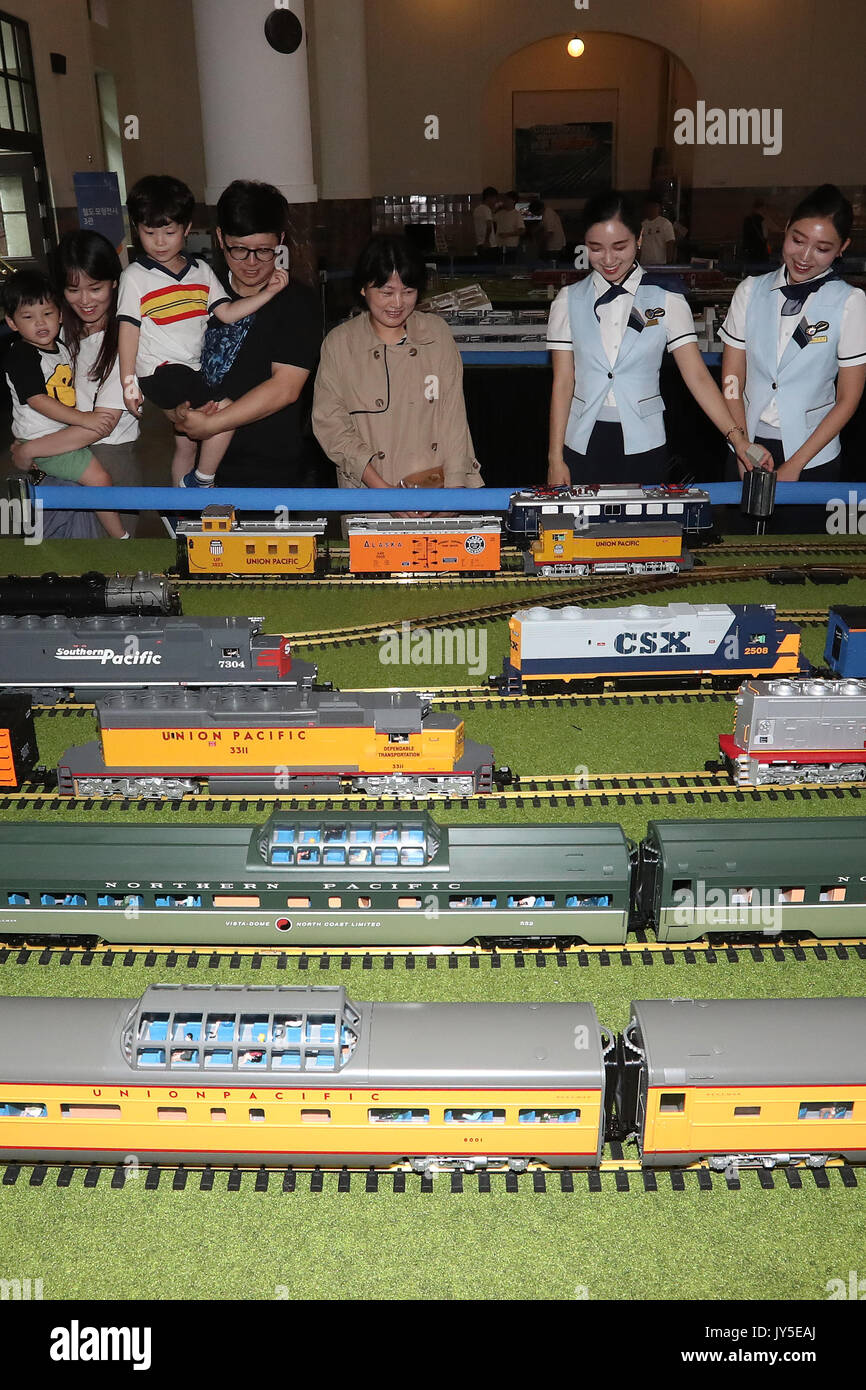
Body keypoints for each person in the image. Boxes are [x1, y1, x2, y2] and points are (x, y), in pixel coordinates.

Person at [546, 191, 766, 486]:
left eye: (620, 246)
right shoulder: (567, 300)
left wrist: (737, 438)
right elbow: (563, 382)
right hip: (580, 440)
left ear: (639, 238)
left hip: (645, 441)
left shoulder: (667, 297)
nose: (608, 259)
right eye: (596, 248)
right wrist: (555, 458)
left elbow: (697, 376)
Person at [118, 174, 288, 486]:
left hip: (192, 370)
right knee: (225, 410)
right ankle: (203, 479)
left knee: (186, 443)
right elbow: (128, 330)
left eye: (169, 232)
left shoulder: (201, 271)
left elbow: (227, 313)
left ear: (186, 229)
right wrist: (129, 381)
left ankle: (182, 502)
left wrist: (268, 294)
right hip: (161, 370)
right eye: (149, 232)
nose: (159, 241)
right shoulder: (135, 276)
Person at [721, 185, 866, 528]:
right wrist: (741, 444)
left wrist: (797, 463)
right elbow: (732, 378)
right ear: (785, 229)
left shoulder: (850, 302)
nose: (805, 256)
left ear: (842, 248)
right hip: (746, 444)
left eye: (823, 248)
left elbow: (848, 398)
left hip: (813, 454)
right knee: (736, 547)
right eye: (798, 240)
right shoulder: (750, 290)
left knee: (798, 550)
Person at [172, 179, 323, 489]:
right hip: (201, 465)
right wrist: (177, 409)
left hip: (271, 470)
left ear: (280, 241)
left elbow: (285, 388)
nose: (251, 263)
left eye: (264, 251)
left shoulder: (297, 302)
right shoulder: (198, 293)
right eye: (239, 249)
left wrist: (212, 425)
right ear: (220, 238)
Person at [312, 233, 483, 504]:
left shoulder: (436, 334)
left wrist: (454, 491)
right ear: (364, 288)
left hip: (438, 492)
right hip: (369, 495)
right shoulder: (340, 344)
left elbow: (453, 417)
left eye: (408, 292)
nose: (397, 303)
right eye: (386, 293)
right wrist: (383, 492)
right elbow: (331, 426)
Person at [11, 231, 142, 537]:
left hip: (108, 462)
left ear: (114, 282)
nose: (85, 301)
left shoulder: (126, 340)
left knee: (112, 559)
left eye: (95, 288)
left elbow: (102, 425)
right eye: (73, 290)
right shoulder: (56, 336)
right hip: (58, 462)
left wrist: (30, 449)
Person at [639, 200, 676, 266]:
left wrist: (669, 262)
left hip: (660, 264)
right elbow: (639, 245)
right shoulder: (643, 224)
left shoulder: (665, 223)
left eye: (654, 206)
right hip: (644, 263)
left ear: (658, 208)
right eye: (649, 206)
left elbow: (670, 242)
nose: (651, 209)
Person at [494, 191, 525, 261]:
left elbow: (522, 230)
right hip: (499, 245)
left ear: (513, 201)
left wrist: (507, 234)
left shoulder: (517, 215)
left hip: (511, 246)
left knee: (510, 264)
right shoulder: (499, 213)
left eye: (507, 199)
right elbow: (492, 220)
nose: (505, 201)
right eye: (504, 199)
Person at [741, 199, 771, 263]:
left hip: (749, 252)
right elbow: (765, 235)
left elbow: (744, 236)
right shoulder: (762, 220)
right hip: (760, 252)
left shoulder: (747, 220)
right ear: (762, 208)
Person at [473, 186, 499, 260]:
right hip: (489, 245)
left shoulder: (477, 209)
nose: (495, 201)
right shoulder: (486, 209)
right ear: (489, 198)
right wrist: (487, 240)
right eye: (495, 198)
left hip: (480, 243)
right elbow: (489, 226)